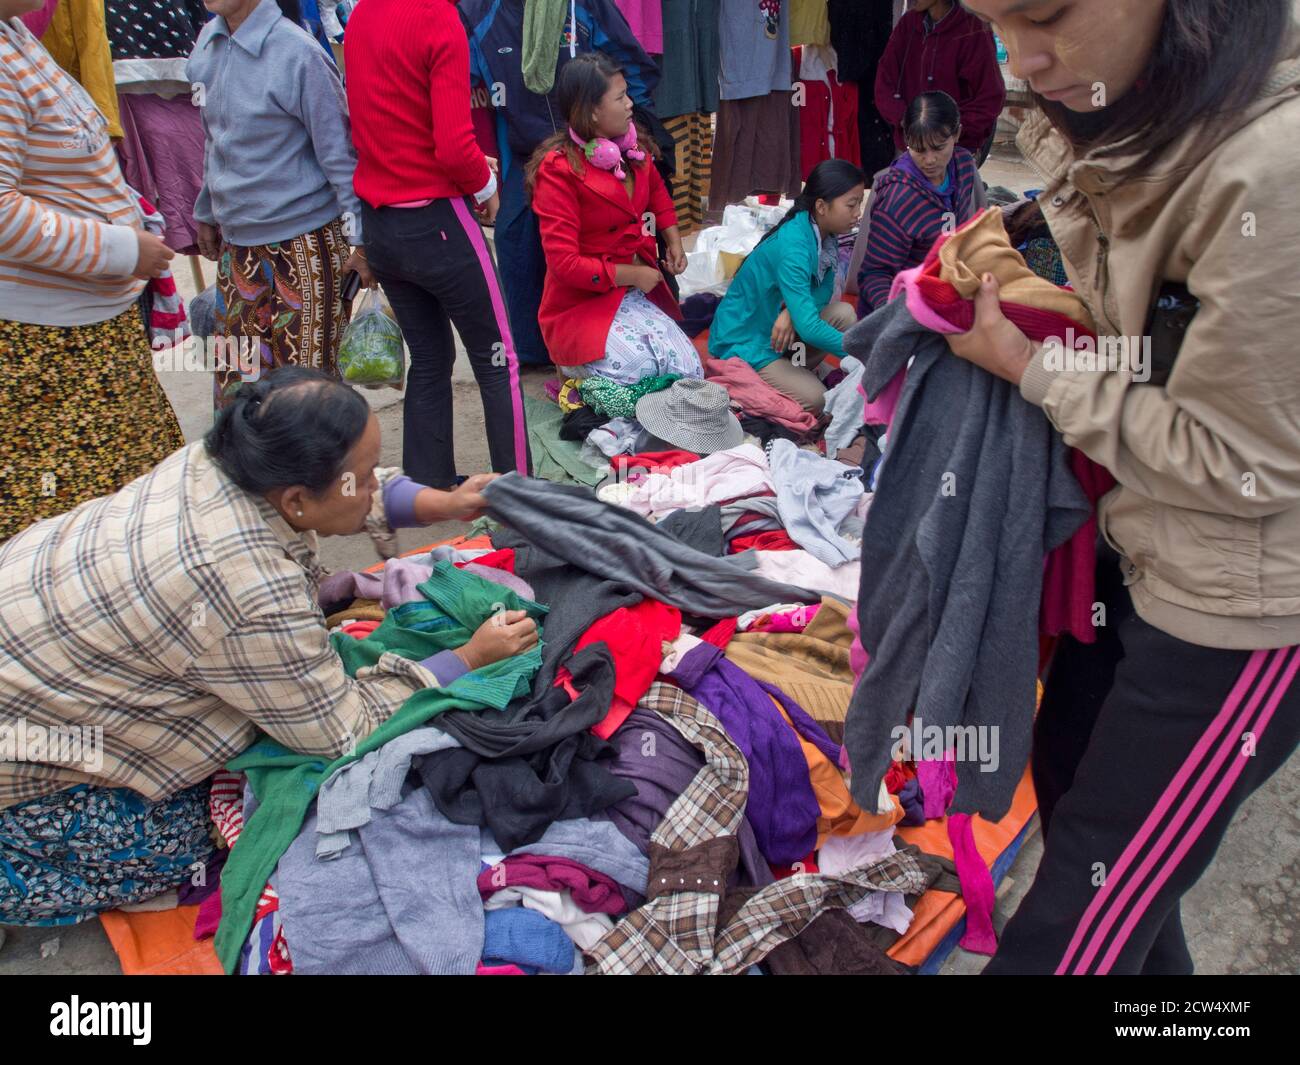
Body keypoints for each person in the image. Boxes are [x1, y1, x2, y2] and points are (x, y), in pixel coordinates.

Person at [950, 0, 1300, 975]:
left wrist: (1033, 368)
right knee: (1084, 822)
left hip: (1239, 604)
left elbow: (1240, 460)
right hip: (1138, 542)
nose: (1021, 56)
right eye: (996, 21)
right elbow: (1140, 325)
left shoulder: (1272, 167)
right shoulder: (1118, 102)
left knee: (1069, 929)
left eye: (1046, 13)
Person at [0, 368, 538, 926]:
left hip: (29, 626)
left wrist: (445, 503)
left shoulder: (221, 460)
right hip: (28, 753)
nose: (375, 485)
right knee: (195, 833)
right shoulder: (245, 585)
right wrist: (466, 659)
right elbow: (343, 731)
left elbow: (348, 489)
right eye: (366, 475)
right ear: (298, 497)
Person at [0, 1, 183, 544]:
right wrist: (120, 250)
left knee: (125, 508)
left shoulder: (14, 35)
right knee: (83, 527)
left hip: (85, 335)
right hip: (53, 353)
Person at [344, 0, 532, 489]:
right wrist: (486, 187)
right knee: (498, 360)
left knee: (429, 358)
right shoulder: (435, 15)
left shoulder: (363, 13)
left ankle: (427, 485)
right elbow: (453, 143)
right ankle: (522, 496)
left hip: (383, 224)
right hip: (438, 221)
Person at [188, 0, 369, 409]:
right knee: (239, 390)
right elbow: (214, 140)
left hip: (306, 246)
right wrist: (206, 210)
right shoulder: (207, 45)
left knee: (306, 392)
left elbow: (339, 156)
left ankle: (322, 473)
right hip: (239, 249)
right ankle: (258, 475)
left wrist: (361, 240)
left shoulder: (298, 53)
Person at [459, 0, 659, 366]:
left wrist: (636, 122)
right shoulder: (479, 13)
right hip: (527, 149)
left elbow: (627, 59)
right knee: (517, 236)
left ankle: (603, 334)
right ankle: (536, 353)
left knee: (604, 229)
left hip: (596, 147)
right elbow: (456, 79)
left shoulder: (581, 5)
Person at [528, 53, 699, 383]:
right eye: (620, 97)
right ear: (592, 110)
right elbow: (564, 264)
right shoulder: (558, 172)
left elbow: (657, 193)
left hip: (629, 295)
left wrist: (673, 238)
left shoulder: (632, 149)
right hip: (580, 305)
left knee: (686, 368)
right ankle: (571, 368)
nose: (631, 104)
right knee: (640, 371)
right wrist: (633, 274)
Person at [708, 159, 866, 413]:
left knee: (843, 313)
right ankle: (750, 383)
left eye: (859, 203)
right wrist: (866, 351)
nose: (858, 212)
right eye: (852, 204)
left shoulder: (826, 234)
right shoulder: (795, 246)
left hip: (774, 335)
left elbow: (824, 291)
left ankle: (791, 371)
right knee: (818, 400)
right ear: (822, 207)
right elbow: (811, 328)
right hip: (745, 342)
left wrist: (791, 312)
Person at [857, 91, 981, 315]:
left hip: (945, 297)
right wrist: (897, 321)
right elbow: (875, 274)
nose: (930, 160)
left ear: (957, 134)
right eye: (919, 150)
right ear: (906, 142)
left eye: (939, 147)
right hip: (901, 310)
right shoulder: (899, 197)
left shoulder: (963, 166)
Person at [874, 0, 1004, 166]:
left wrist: (949, 131)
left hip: (956, 150)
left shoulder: (973, 28)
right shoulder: (908, 23)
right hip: (912, 147)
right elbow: (884, 82)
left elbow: (991, 96)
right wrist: (905, 119)